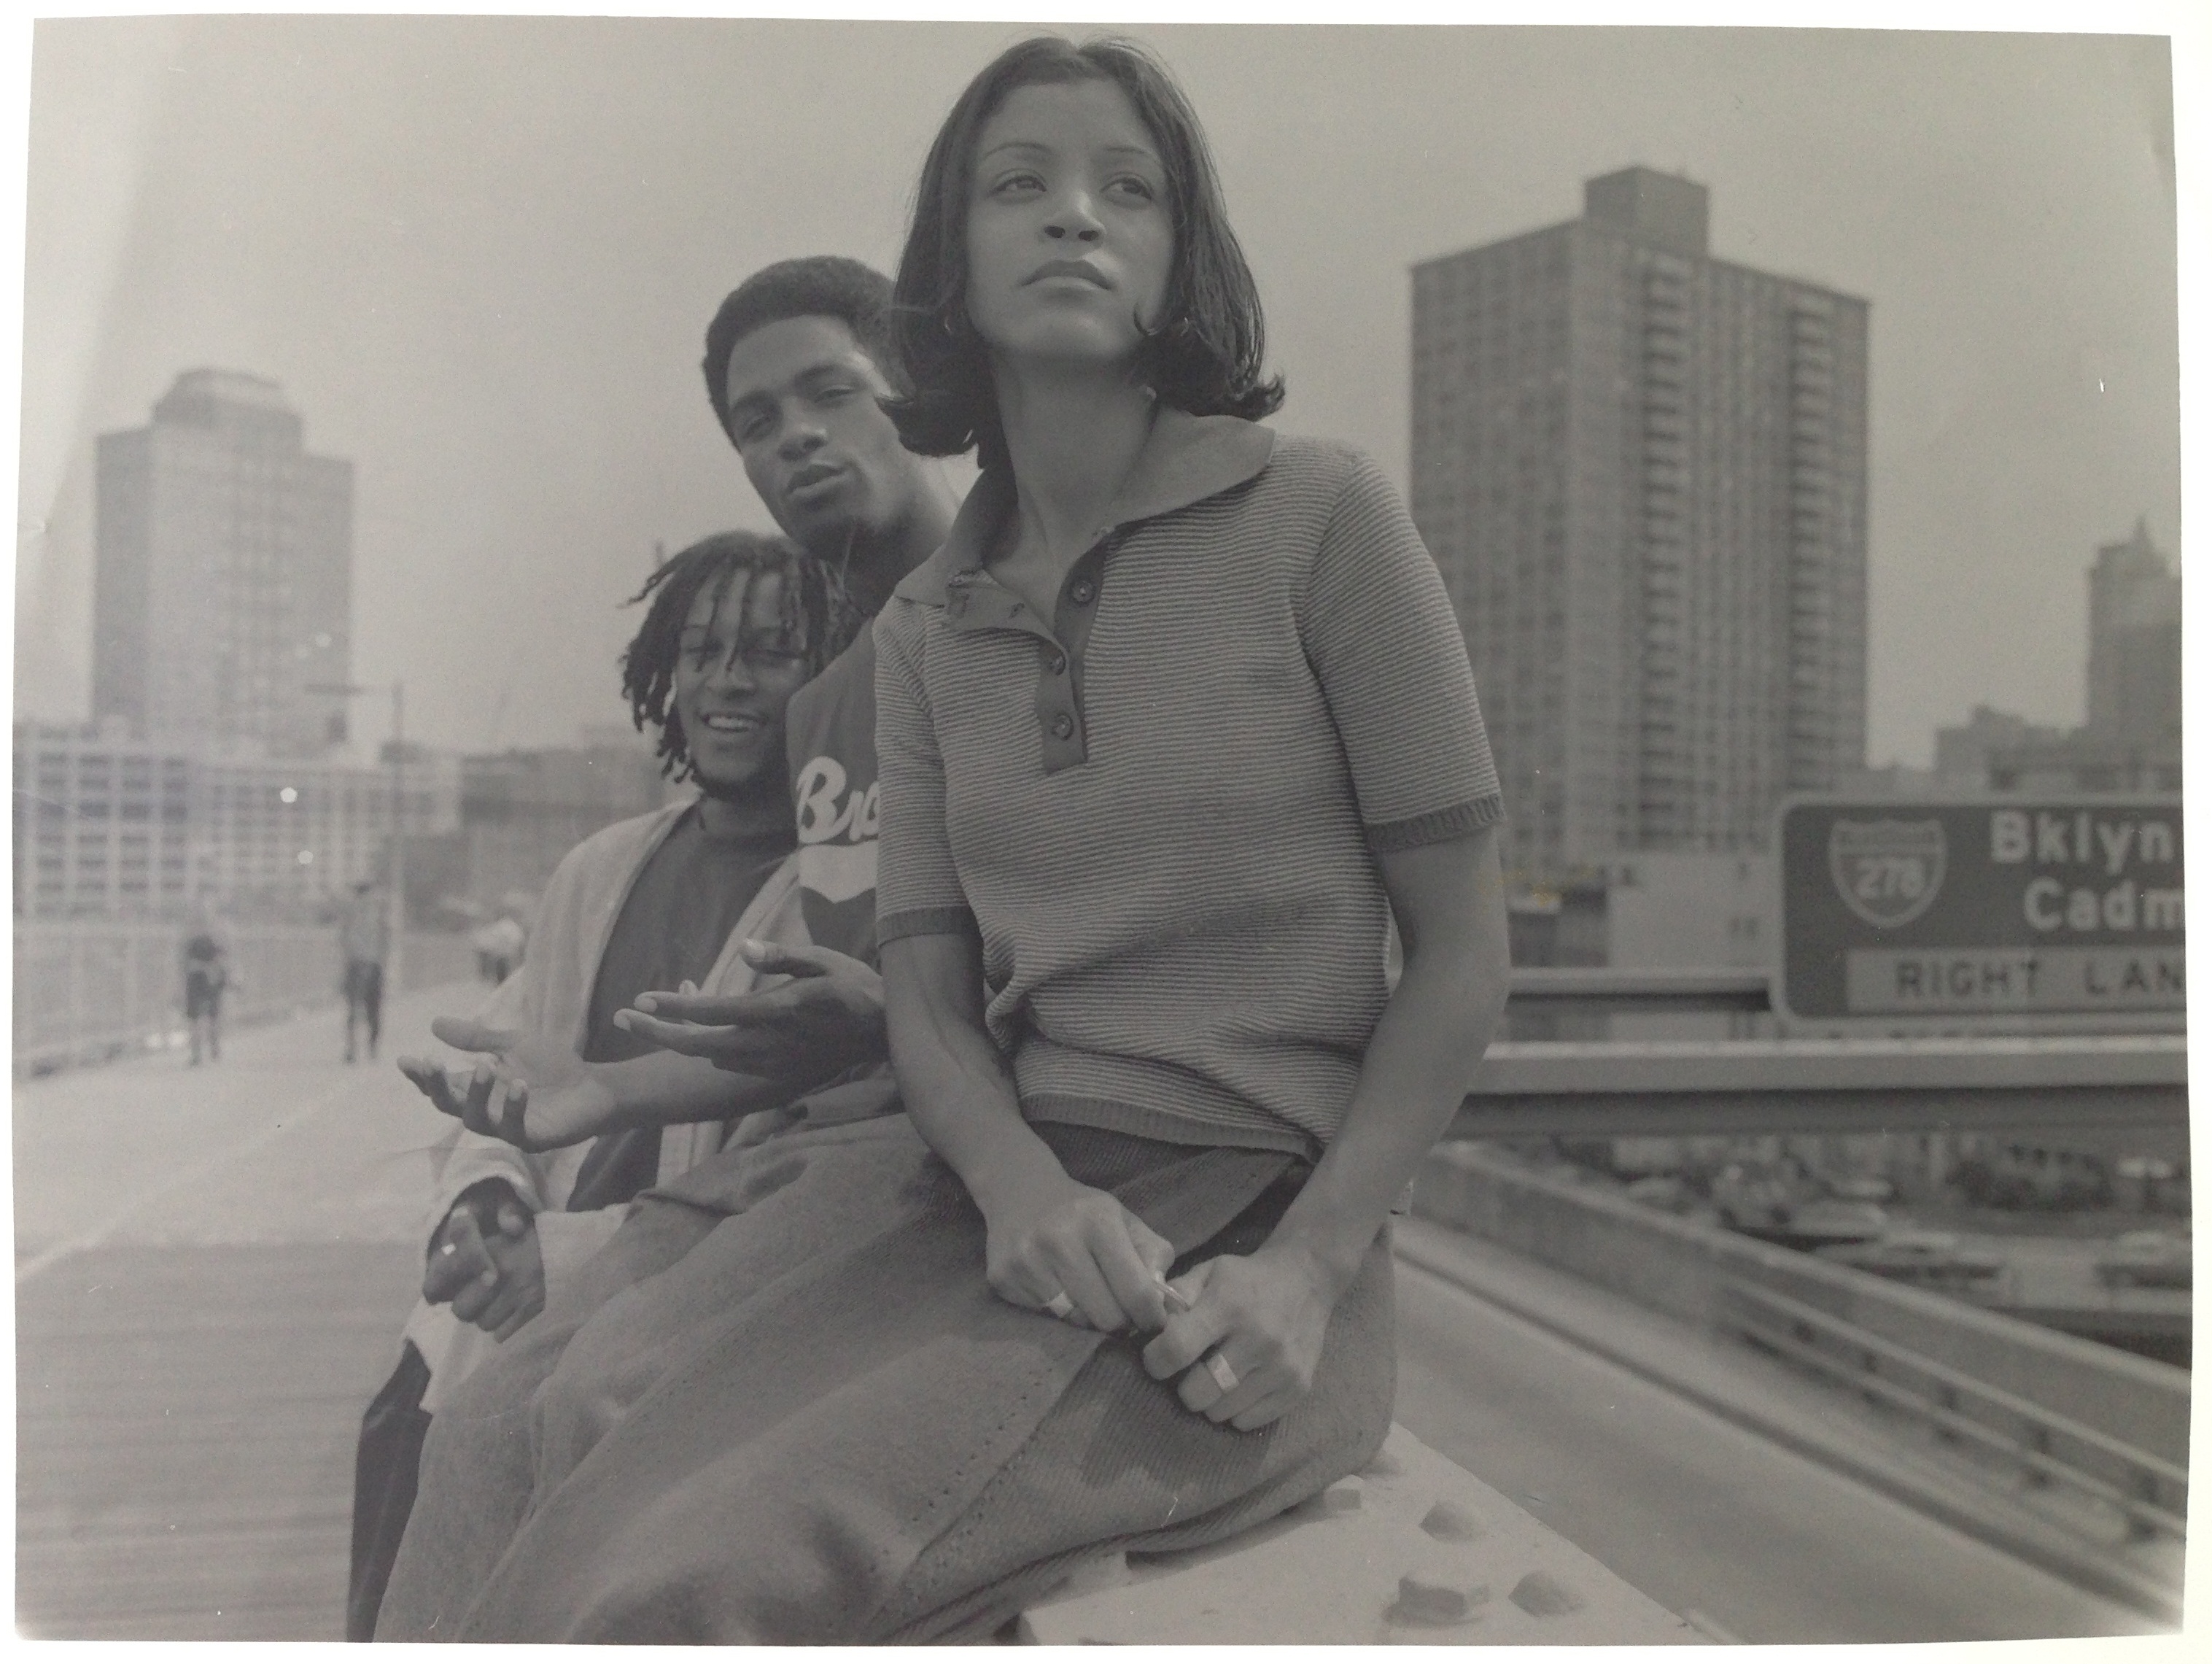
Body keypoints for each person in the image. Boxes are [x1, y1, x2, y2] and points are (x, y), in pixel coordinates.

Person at [379, 36, 1510, 1644]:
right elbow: (925, 993)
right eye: (1017, 184)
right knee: (503, 1430)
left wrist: (1312, 1273)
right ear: (948, 264)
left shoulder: (1324, 520)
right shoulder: (924, 627)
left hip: (1227, 1229)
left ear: (1180, 256)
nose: (1072, 216)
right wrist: (1017, 1187)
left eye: (1127, 187)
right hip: (979, 1189)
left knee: (679, 1577)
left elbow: (1463, 955)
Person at [344, 530, 863, 1639]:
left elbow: (787, 1184)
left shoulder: (843, 905)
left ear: (840, 673)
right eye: (701, 649)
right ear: (664, 675)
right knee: (406, 1412)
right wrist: (486, 1198)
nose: (727, 679)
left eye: (775, 651)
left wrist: (558, 1256)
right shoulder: (599, 869)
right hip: (521, 1300)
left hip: (674, 1353)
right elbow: (509, 1084)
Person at [338, 881, 390, 1064]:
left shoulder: (354, 914)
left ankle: (360, 1048)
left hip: (361, 966)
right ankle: (363, 1048)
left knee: (360, 1010)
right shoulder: (377, 914)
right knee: (367, 1010)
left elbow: (343, 942)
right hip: (367, 966)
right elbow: (387, 941)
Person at [179, 905, 230, 1066]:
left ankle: (199, 1053)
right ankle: (209, 1049)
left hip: (197, 981)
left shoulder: (191, 942)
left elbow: (184, 964)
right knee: (210, 1017)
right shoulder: (214, 940)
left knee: (198, 1018)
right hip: (208, 980)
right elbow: (222, 960)